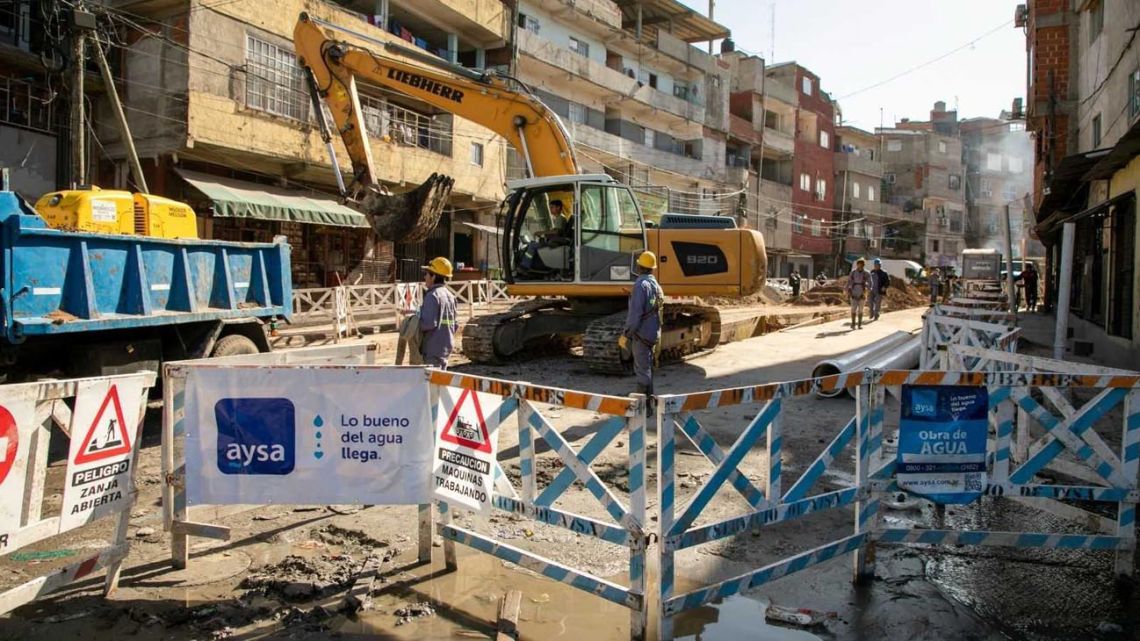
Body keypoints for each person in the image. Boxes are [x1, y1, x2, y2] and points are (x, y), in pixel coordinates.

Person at [619, 251, 664, 395]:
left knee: (642, 370)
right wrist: (633, 296)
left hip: (641, 335)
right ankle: (649, 399)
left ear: (639, 267)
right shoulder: (656, 285)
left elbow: (635, 315)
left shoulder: (640, 285)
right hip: (653, 333)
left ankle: (644, 403)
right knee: (647, 368)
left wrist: (626, 334)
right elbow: (651, 305)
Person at [419, 257, 457, 369]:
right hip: (446, 346)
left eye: (426, 274)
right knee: (441, 376)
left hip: (433, 348)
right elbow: (455, 324)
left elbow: (428, 323)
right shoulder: (451, 296)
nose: (425, 277)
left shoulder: (432, 295)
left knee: (431, 378)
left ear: (434, 276)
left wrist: (414, 321)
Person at [845, 258, 869, 329]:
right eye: (858, 264)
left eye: (861, 265)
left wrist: (868, 289)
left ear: (863, 265)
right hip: (854, 293)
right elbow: (849, 281)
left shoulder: (866, 273)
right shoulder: (853, 272)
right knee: (853, 309)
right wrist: (846, 290)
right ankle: (853, 324)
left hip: (862, 293)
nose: (860, 266)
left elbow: (870, 283)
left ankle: (859, 324)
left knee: (861, 310)